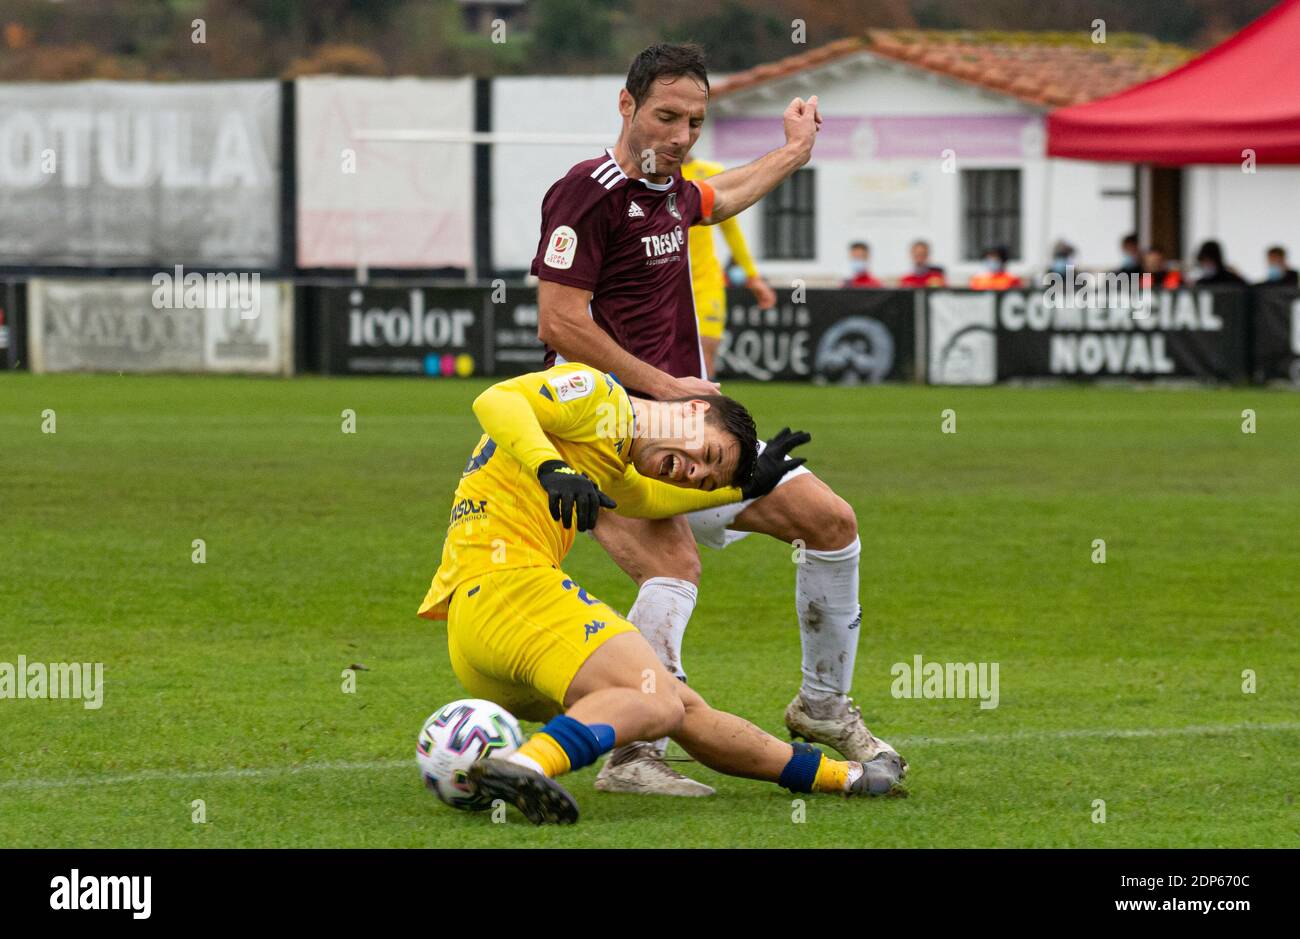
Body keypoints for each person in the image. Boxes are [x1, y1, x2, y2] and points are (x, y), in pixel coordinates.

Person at [531, 42, 902, 798]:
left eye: (695, 122)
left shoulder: (675, 188)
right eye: (667, 117)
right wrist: (662, 385)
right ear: (626, 106)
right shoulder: (585, 193)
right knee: (675, 568)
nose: (681, 135)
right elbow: (560, 321)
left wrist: (794, 151)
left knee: (830, 521)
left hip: (694, 429)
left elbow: (724, 196)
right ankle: (633, 754)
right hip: (607, 432)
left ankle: (823, 707)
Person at [416, 362, 905, 824]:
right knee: (658, 702)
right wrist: (551, 468)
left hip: (483, 634)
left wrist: (742, 488)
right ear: (693, 409)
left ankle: (847, 778)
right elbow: (497, 398)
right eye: (708, 455)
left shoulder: (612, 450)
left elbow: (647, 499)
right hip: (512, 591)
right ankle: (529, 763)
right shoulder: (599, 395)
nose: (694, 473)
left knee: (673, 704)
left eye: (705, 478)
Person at [682, 157, 776, 379]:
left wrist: (753, 277)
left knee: (704, 354)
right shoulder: (652, 175)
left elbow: (731, 229)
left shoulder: (712, 173)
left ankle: (705, 412)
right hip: (665, 282)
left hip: (706, 281)